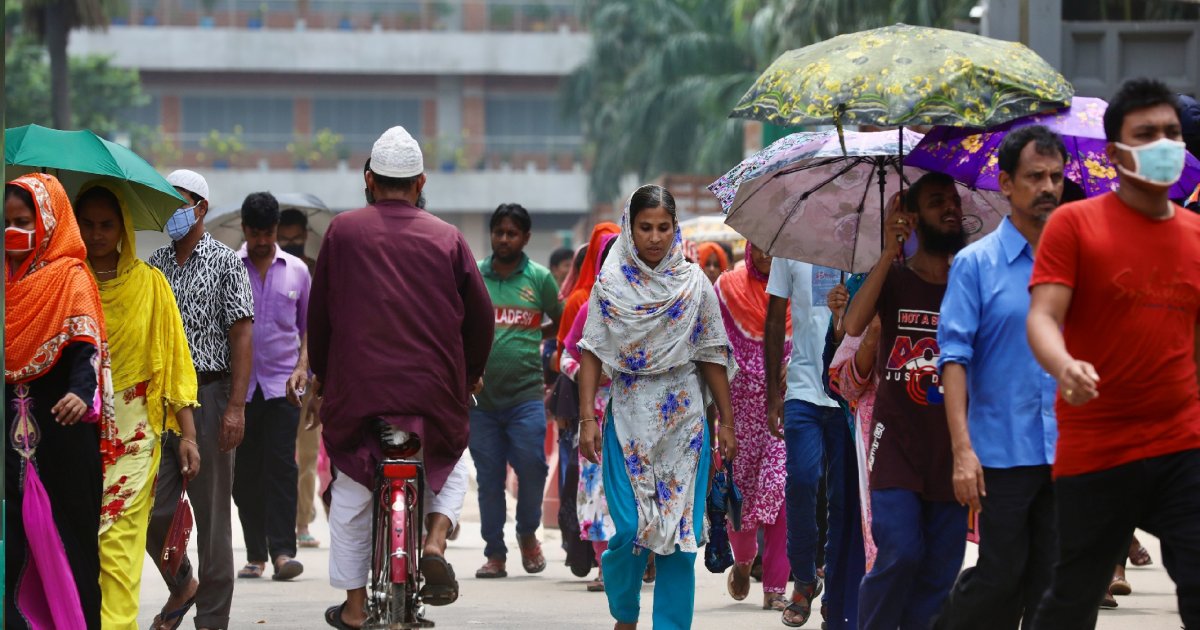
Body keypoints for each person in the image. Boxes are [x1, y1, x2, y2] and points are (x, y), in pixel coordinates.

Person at [1028, 78, 1200, 630]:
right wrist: (1064, 365)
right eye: (1146, 134)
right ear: (1114, 153)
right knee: (1071, 599)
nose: (1162, 144)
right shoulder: (1074, 226)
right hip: (1097, 444)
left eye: (1171, 133)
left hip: (1182, 443)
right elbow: (1043, 316)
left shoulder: (1197, 237)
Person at [310, 126, 493, 629]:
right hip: (432, 394)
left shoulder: (342, 232)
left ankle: (352, 608)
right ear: (420, 182)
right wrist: (470, 375)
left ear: (369, 180)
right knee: (452, 462)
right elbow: (481, 319)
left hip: (358, 392)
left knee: (349, 492)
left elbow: (320, 317)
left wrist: (321, 378)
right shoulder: (449, 238)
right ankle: (434, 540)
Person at [577, 184, 738, 630]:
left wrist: (727, 421)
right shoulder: (608, 285)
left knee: (680, 537)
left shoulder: (694, 284)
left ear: (675, 229)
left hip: (684, 423)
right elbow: (591, 351)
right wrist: (587, 418)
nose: (653, 236)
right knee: (629, 530)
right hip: (626, 417)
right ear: (630, 229)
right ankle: (625, 612)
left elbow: (712, 354)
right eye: (644, 227)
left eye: (663, 227)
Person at [932, 126, 1067, 630]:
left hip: (1068, 451)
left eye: (1056, 176)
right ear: (1006, 184)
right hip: (1001, 454)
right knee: (999, 578)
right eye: (1035, 177)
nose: (1049, 187)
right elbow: (954, 359)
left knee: (1056, 585)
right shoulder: (976, 265)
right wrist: (962, 450)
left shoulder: (1076, 260)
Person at [843, 171, 968, 630]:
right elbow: (854, 326)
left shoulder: (970, 277)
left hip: (952, 444)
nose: (950, 208)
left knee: (940, 568)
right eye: (937, 202)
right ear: (914, 217)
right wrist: (888, 253)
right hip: (894, 442)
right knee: (899, 549)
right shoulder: (894, 279)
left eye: (954, 200)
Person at [74, 183, 201, 629]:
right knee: (80, 547)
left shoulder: (151, 285)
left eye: (106, 225)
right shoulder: (65, 283)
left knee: (120, 544)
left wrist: (188, 435)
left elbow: (173, 362)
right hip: (74, 436)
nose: (97, 234)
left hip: (135, 437)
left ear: (123, 227)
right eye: (86, 224)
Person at [145, 169, 255, 630]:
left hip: (211, 394)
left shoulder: (228, 262)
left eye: (181, 201)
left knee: (212, 521)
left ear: (201, 207)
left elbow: (242, 335)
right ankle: (182, 582)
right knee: (151, 509)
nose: (173, 211)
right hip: (161, 401)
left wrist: (235, 407)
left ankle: (212, 620)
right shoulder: (153, 265)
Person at [5, 173, 112, 630]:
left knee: (72, 541)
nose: (14, 232)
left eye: (24, 221)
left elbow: (87, 352)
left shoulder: (71, 279)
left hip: (63, 435)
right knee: (13, 543)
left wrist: (78, 393)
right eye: (6, 222)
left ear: (48, 221)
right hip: (9, 439)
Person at [471, 202, 562, 578]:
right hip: (480, 400)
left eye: (512, 233)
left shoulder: (539, 278)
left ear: (526, 238)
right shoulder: (474, 275)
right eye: (498, 232)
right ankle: (495, 552)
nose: (504, 239)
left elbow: (562, 321)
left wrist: (533, 336)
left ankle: (527, 533)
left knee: (533, 466)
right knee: (489, 477)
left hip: (526, 395)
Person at [765, 248, 855, 627]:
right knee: (802, 481)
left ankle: (836, 589)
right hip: (802, 388)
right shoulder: (791, 246)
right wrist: (773, 395)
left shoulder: (864, 245)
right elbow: (773, 320)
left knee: (843, 498)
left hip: (850, 390)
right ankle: (804, 578)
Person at [231, 192, 311, 582]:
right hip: (240, 392)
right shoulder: (230, 268)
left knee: (282, 467)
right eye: (255, 232)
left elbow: (308, 328)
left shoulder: (297, 271)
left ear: (276, 229)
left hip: (284, 388)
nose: (263, 240)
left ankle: (282, 552)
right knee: (245, 475)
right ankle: (254, 554)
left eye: (268, 232)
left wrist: (303, 367)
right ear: (244, 230)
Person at [716, 243, 793, 611]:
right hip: (736, 410)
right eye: (760, 246)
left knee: (778, 492)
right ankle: (744, 560)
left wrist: (793, 366)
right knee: (740, 495)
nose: (767, 254)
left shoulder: (797, 287)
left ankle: (776, 587)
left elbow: (810, 338)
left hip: (781, 408)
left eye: (775, 248)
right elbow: (712, 347)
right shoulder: (726, 287)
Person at [559, 231, 621, 591]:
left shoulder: (652, 307)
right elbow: (566, 355)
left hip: (642, 414)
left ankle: (640, 558)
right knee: (597, 488)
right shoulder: (590, 307)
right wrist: (583, 372)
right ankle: (604, 564)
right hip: (595, 415)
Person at [278, 207, 324, 549]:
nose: (291, 244)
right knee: (279, 455)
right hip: (276, 379)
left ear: (306, 236)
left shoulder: (319, 272)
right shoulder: (273, 271)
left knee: (307, 455)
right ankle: (278, 520)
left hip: (311, 378)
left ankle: (303, 522)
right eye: (285, 239)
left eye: (296, 238)